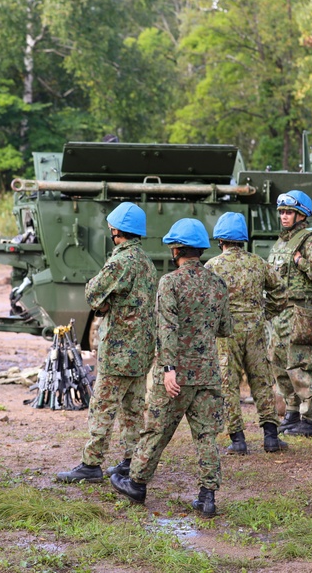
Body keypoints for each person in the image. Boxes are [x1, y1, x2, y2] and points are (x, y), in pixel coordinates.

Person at [110, 218, 232, 517]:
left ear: (177, 249)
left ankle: (136, 483)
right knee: (206, 436)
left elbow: (166, 328)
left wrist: (168, 368)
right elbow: (226, 328)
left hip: (175, 374)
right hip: (207, 373)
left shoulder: (170, 282)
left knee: (156, 430)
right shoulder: (218, 283)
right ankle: (207, 496)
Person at [57, 202, 157, 483]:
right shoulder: (147, 263)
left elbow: (93, 294)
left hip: (118, 352)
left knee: (102, 407)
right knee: (133, 410)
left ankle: (91, 464)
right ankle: (129, 461)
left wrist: (103, 302)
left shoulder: (120, 262)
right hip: (141, 352)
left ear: (117, 231)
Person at [205, 212, 288, 455]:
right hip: (255, 330)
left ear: (221, 240)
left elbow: (206, 301)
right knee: (261, 380)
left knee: (228, 384)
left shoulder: (212, 266)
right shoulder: (258, 263)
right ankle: (271, 438)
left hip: (225, 334)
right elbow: (280, 292)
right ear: (242, 239)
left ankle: (238, 440)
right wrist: (266, 313)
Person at [267, 190, 312, 438]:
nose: (284, 216)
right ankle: (292, 412)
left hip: (300, 311)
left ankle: (308, 419)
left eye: (289, 212)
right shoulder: (280, 242)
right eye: (282, 212)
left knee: (302, 365)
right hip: (279, 312)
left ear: (301, 214)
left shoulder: (309, 241)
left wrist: (300, 262)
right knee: (278, 362)